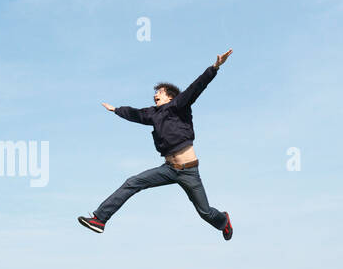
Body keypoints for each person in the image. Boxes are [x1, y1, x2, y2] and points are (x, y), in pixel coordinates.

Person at [78, 50, 233, 239]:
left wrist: (215, 67)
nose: (155, 95)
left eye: (159, 92)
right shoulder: (153, 114)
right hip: (168, 169)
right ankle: (99, 219)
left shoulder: (179, 106)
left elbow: (196, 87)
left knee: (205, 212)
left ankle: (223, 221)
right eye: (155, 93)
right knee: (132, 182)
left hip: (189, 171)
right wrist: (116, 110)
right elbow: (136, 114)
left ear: (170, 97)